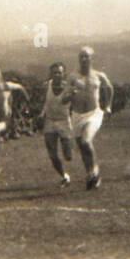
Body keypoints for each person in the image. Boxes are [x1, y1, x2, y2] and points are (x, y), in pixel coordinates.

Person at [67, 47, 114, 190]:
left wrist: (108, 105)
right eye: (81, 56)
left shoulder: (99, 75)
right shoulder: (72, 77)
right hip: (76, 115)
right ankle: (90, 175)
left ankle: (95, 172)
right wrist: (71, 93)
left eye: (86, 56)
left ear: (91, 59)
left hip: (94, 113)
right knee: (82, 147)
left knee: (86, 141)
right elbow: (66, 95)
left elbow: (110, 88)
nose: (83, 59)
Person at [39, 62, 75, 185]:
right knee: (52, 154)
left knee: (68, 156)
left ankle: (68, 150)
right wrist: (41, 113)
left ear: (64, 74)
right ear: (51, 74)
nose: (57, 75)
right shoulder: (46, 86)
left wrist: (72, 95)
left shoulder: (68, 87)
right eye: (54, 72)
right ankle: (64, 176)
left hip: (64, 121)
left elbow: (69, 102)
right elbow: (44, 102)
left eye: (59, 72)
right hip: (50, 121)